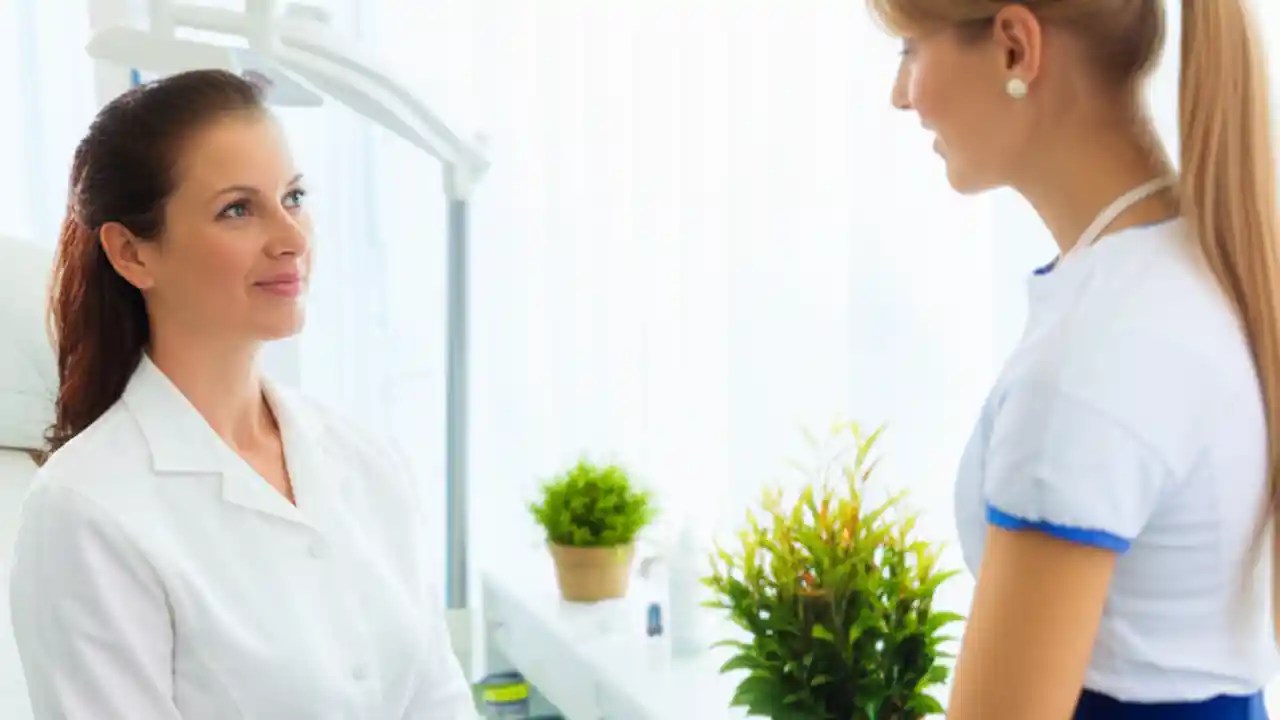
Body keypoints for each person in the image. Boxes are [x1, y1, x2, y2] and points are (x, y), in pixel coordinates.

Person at [9, 69, 478, 719]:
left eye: (293, 196)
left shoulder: (366, 460)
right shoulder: (86, 511)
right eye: (238, 209)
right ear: (131, 254)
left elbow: (439, 699)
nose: (291, 239)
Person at [874, 0, 1279, 718]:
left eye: (909, 49)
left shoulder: (1097, 352)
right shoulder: (1195, 273)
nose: (901, 95)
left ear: (1013, 49)